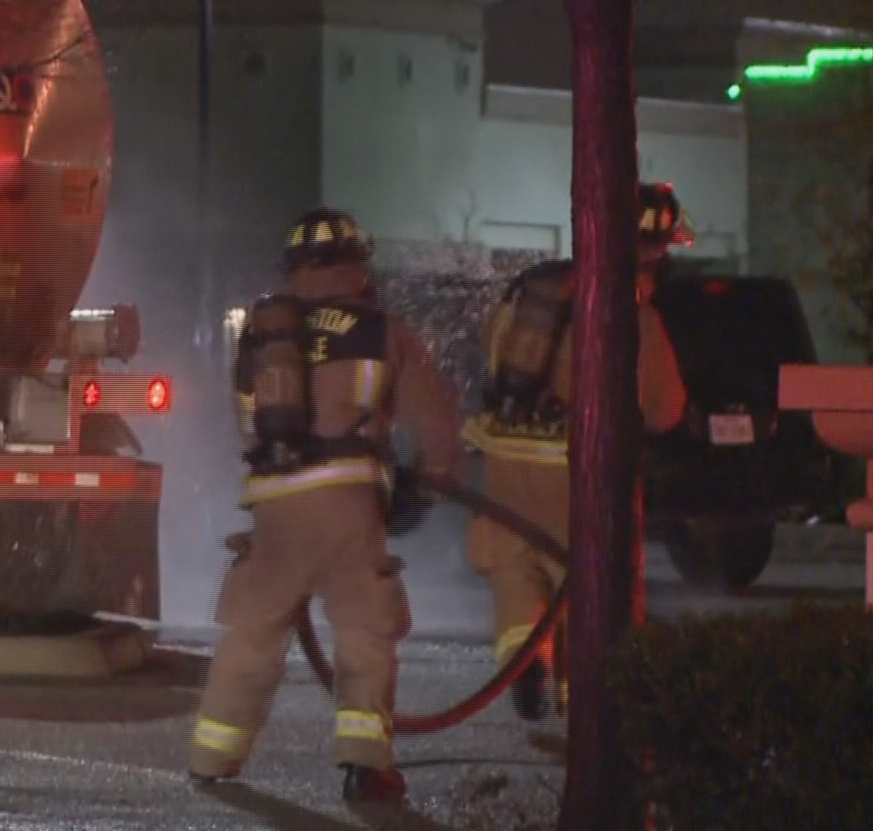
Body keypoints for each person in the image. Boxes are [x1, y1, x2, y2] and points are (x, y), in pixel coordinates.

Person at [191, 208, 466, 804]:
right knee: (365, 631)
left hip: (272, 506)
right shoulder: (378, 328)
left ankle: (211, 756)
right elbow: (433, 417)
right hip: (344, 504)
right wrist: (436, 474)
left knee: (251, 635)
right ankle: (365, 766)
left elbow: (245, 429)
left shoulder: (264, 335)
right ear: (355, 264)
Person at [463, 182, 691, 719]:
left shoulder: (532, 291)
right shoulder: (631, 313)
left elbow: (487, 357)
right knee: (584, 585)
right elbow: (663, 408)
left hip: (505, 463)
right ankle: (580, 709)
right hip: (575, 474)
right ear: (656, 249)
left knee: (515, 573)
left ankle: (527, 662)